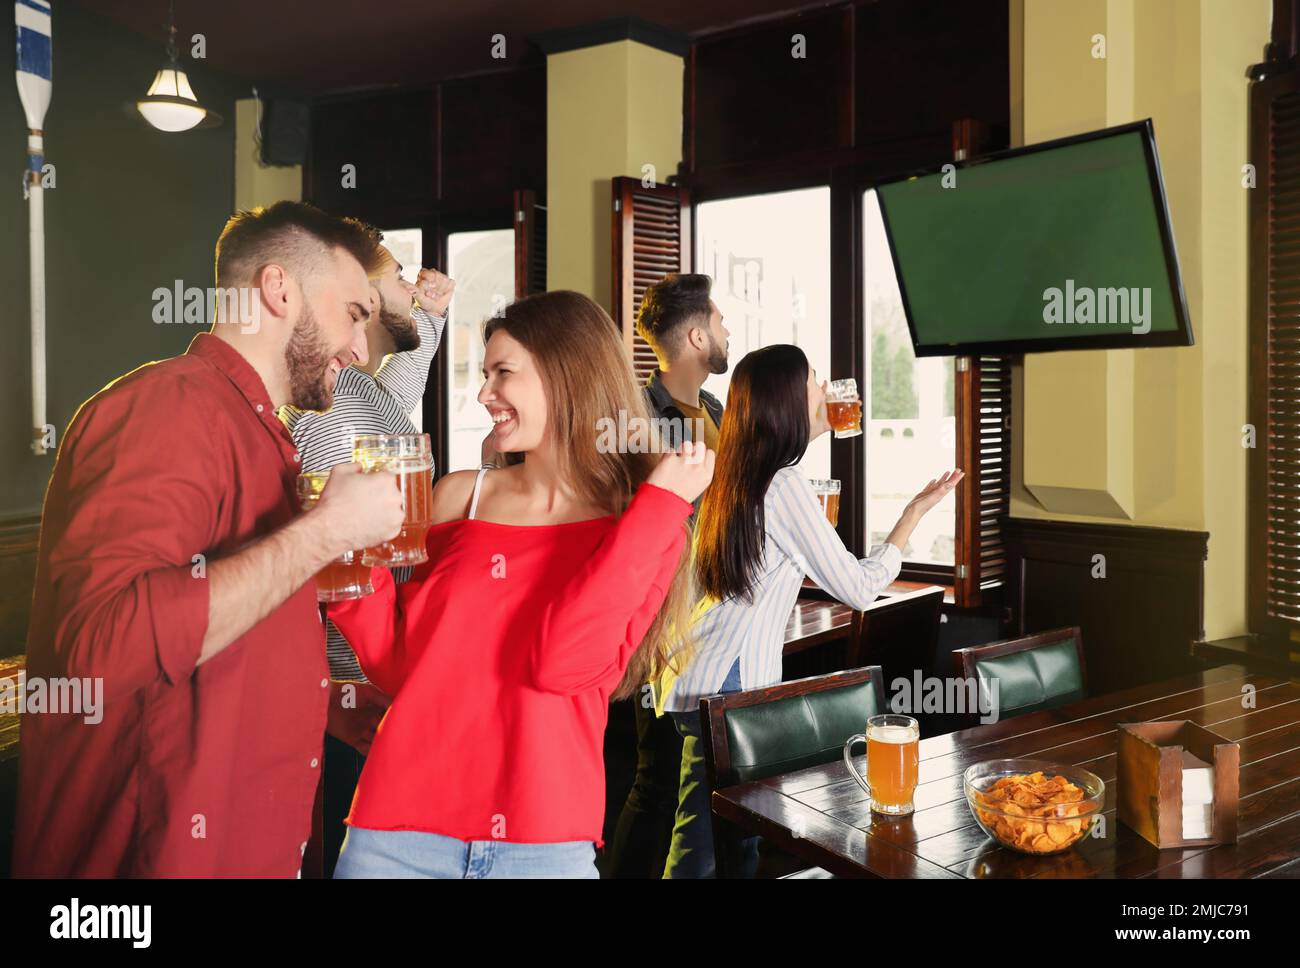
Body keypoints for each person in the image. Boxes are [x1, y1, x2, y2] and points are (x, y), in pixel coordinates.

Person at [14, 201, 406, 876]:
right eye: (353, 315)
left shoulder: (267, 435)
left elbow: (225, 640)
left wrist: (330, 706)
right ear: (280, 290)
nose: (361, 350)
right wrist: (326, 532)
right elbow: (102, 647)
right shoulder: (167, 408)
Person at [327, 290, 713, 879]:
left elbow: (562, 663)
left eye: (502, 373)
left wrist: (659, 507)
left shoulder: (646, 525)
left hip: (543, 844)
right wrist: (344, 547)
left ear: (565, 377)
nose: (484, 394)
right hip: (395, 834)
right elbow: (397, 662)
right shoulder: (459, 495)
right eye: (485, 375)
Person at [655, 344, 962, 878]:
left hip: (700, 674)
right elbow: (860, 589)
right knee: (711, 849)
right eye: (817, 380)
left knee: (717, 840)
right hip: (728, 684)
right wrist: (912, 517)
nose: (829, 389)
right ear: (789, 402)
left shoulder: (741, 473)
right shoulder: (783, 485)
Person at [280, 244, 453, 876]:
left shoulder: (356, 384)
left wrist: (429, 322)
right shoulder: (321, 404)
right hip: (347, 674)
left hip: (386, 656)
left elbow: (394, 396)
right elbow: (340, 539)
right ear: (367, 296)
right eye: (401, 279)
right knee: (347, 839)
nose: (415, 284)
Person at [608, 273, 728, 878]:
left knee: (687, 785)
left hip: (709, 614)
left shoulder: (714, 410)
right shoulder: (638, 418)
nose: (728, 332)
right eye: (721, 321)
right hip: (661, 616)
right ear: (697, 334)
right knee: (657, 779)